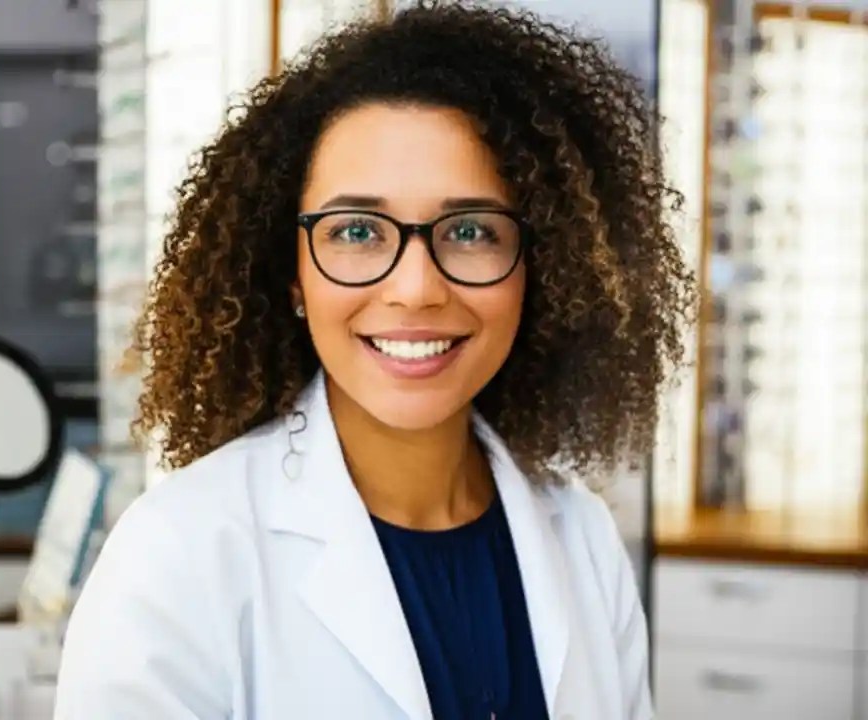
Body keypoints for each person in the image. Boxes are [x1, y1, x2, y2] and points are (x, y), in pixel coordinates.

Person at [55, 2, 696, 718]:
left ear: (539, 267)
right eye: (357, 230)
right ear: (292, 272)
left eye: (472, 231)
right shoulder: (179, 551)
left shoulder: (581, 536)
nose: (416, 288)